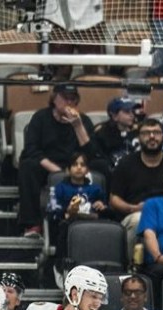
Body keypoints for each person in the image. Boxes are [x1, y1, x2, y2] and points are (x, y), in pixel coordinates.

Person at [16, 84, 100, 239]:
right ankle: (32, 223)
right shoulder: (41, 118)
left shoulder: (84, 121)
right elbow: (32, 149)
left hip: (76, 164)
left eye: (73, 99)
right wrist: (58, 172)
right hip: (46, 164)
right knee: (28, 166)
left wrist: (78, 126)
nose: (69, 102)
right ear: (54, 99)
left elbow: (91, 153)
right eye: (65, 98)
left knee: (100, 167)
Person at [108, 118, 163, 259]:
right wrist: (132, 208)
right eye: (146, 133)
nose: (152, 136)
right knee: (138, 220)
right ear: (139, 137)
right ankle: (134, 269)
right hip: (135, 213)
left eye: (156, 132)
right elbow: (114, 199)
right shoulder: (126, 163)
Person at [46, 151, 108, 268]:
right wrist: (67, 210)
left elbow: (106, 209)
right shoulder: (60, 188)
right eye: (75, 165)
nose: (79, 168)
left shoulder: (96, 189)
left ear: (87, 170)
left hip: (92, 222)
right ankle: (62, 265)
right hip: (68, 223)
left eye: (82, 165)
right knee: (64, 226)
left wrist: (101, 205)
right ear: (68, 169)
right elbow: (52, 209)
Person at [94, 97, 140, 173]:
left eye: (133, 111)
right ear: (114, 116)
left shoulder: (138, 131)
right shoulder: (103, 133)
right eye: (127, 111)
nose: (132, 115)